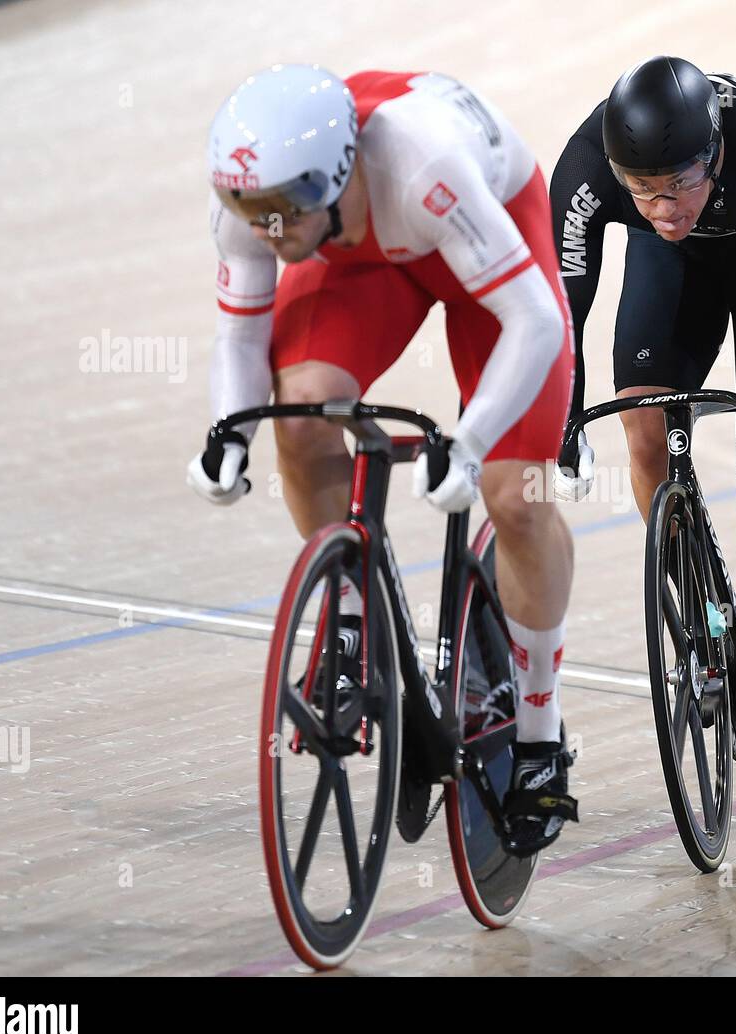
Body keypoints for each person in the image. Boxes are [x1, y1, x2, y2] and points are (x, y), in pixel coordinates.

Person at [189, 64, 578, 853]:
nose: (262, 231)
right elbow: (239, 337)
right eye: (247, 212)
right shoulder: (262, 200)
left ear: (332, 176)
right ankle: (349, 627)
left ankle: (541, 729)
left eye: (277, 214)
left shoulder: (425, 166)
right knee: (299, 417)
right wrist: (229, 432)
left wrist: (469, 446)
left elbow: (534, 319)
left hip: (484, 226)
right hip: (361, 260)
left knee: (517, 498)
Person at [549, 55, 736, 707]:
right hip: (674, 266)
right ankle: (706, 623)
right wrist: (564, 419)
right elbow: (562, 314)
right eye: (642, 188)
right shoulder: (587, 170)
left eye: (678, 184)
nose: (662, 204)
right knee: (644, 429)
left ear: (713, 153)